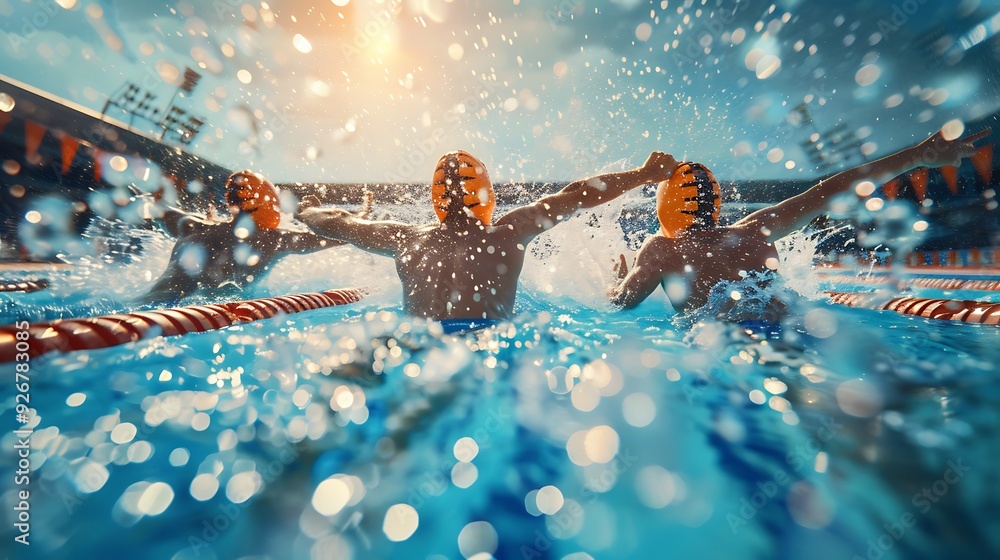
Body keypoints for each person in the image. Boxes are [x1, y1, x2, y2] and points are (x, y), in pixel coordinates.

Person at [609, 129, 991, 324]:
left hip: (723, 344)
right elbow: (831, 188)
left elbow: (620, 305)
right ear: (716, 202)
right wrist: (918, 155)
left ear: (665, 206)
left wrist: (619, 278)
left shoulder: (661, 249)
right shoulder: (755, 229)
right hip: (794, 328)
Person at [296, 150, 678, 332]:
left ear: (435, 200)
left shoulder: (406, 238)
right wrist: (644, 174)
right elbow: (577, 194)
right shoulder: (511, 232)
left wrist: (306, 212)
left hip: (415, 345)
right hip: (486, 348)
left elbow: (339, 222)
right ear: (487, 195)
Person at [141, 170, 371, 304]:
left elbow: (160, 210)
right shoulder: (271, 239)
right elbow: (338, 237)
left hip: (146, 301)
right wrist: (360, 216)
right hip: (188, 310)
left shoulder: (190, 225)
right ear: (268, 205)